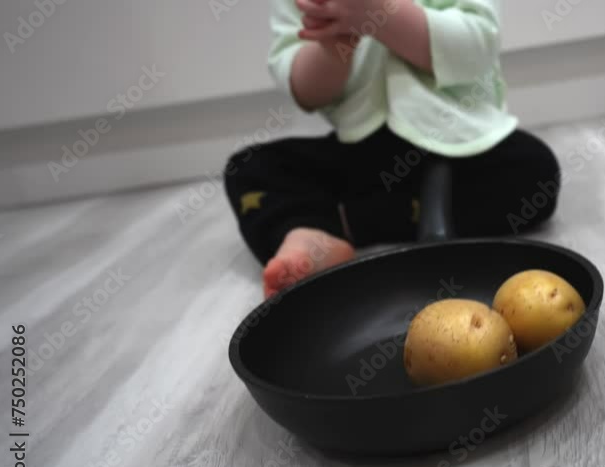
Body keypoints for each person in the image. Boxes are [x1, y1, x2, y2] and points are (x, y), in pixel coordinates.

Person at [224, 0, 561, 298]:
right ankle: (322, 232)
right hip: (362, 152)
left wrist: (378, 13)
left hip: (458, 140)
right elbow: (305, 91)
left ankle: (348, 219)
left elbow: (476, 47)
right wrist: (333, 47)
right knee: (250, 169)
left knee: (534, 171)